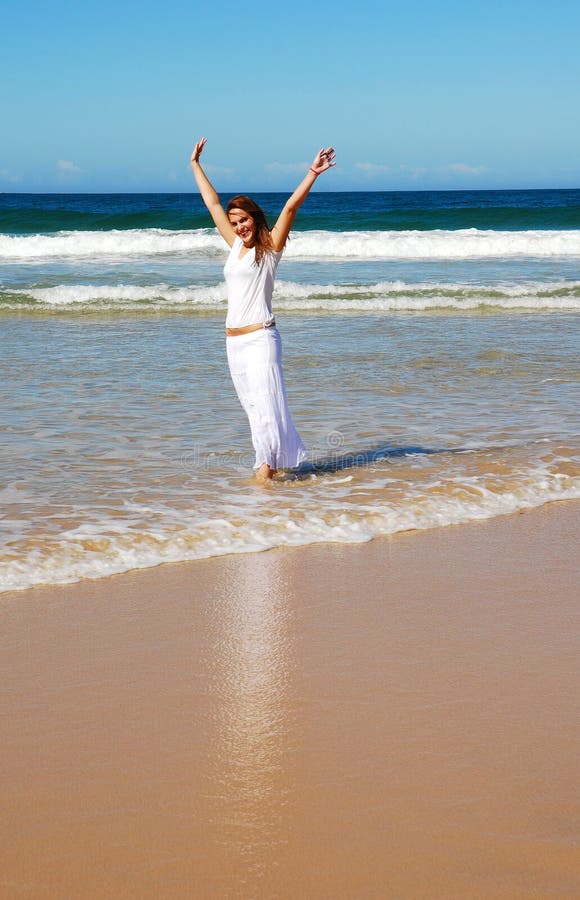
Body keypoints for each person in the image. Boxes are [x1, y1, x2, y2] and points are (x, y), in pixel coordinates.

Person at [190, 138, 336, 482]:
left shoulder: (269, 248)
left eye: (243, 220)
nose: (239, 227)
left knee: (267, 407)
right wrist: (195, 165)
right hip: (234, 343)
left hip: (260, 338)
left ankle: (264, 472)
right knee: (254, 409)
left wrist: (312, 173)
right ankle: (272, 464)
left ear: (254, 218)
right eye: (234, 222)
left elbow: (289, 208)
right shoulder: (235, 247)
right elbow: (212, 204)